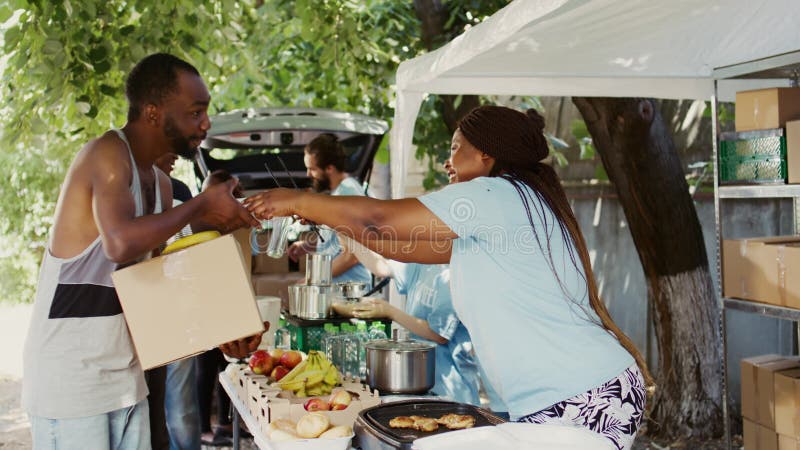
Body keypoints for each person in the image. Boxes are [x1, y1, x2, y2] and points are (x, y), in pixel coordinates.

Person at [245, 105, 654, 450]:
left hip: (580, 396)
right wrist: (319, 213)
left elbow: (380, 218)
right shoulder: (512, 207)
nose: (447, 162)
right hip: (582, 390)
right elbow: (389, 243)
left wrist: (300, 198)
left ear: (486, 156)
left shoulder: (493, 194)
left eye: (456, 150)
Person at [21, 53, 257, 450]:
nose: (206, 123)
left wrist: (224, 331)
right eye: (195, 111)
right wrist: (201, 203)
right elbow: (118, 243)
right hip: (72, 383)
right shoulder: (107, 155)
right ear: (152, 112)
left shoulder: (161, 186)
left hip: (126, 381)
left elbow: (156, 286)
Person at [153, 152, 201, 450]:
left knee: (180, 404)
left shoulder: (180, 191)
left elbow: (193, 255)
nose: (174, 156)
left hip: (178, 313)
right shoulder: (126, 194)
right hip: (140, 312)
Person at [285, 133, 371, 285]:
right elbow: (338, 242)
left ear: (330, 168)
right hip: (337, 291)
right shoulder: (338, 193)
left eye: (312, 169)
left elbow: (352, 255)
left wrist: (311, 281)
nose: (308, 174)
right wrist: (308, 246)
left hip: (350, 294)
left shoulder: (347, 195)